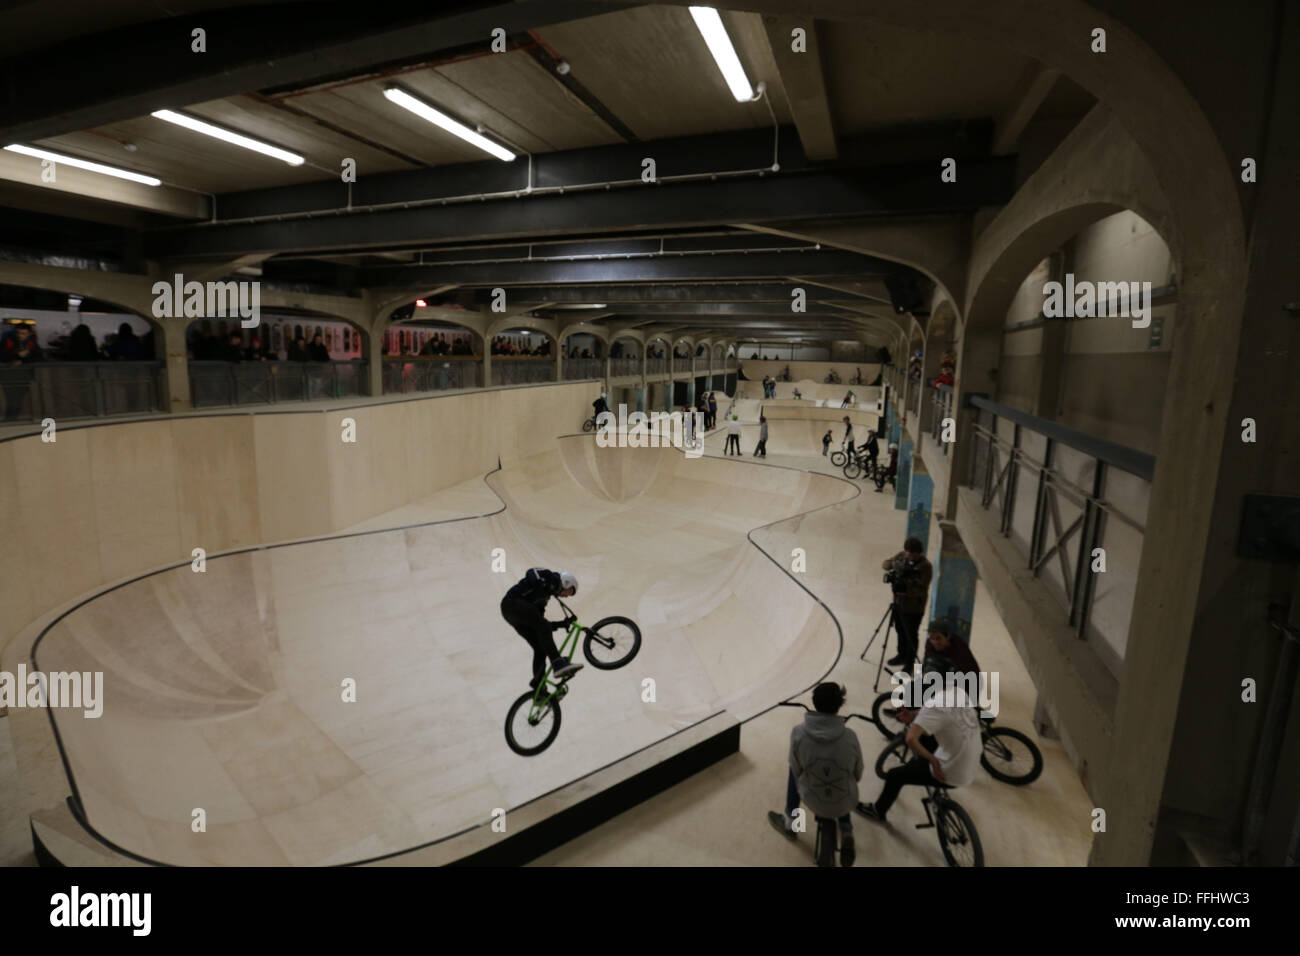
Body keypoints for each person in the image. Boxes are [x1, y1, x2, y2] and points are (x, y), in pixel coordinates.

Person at [855, 685, 981, 824]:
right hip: (972, 762)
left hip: (950, 772)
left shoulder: (932, 705)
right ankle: (921, 766)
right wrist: (914, 715)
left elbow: (910, 739)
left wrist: (932, 760)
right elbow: (938, 714)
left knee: (894, 775)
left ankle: (877, 811)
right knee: (928, 740)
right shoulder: (958, 693)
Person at [768, 682, 863, 865]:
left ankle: (792, 822)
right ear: (839, 706)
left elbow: (797, 771)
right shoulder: (850, 736)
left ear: (814, 703)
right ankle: (846, 830)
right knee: (844, 777)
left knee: (793, 770)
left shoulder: (798, 733)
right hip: (844, 798)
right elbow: (857, 774)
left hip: (811, 796)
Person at [500, 568, 584, 691]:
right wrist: (541, 582)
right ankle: (557, 663)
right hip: (511, 603)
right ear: (566, 582)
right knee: (542, 627)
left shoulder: (543, 600)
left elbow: (541, 625)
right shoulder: (550, 577)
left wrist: (561, 624)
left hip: (514, 616)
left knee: (540, 648)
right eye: (569, 592)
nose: (566, 596)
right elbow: (531, 572)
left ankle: (539, 688)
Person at [881, 536, 933, 670]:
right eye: (907, 552)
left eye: (912, 553)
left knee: (911, 634)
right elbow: (885, 565)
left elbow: (922, 589)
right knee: (900, 630)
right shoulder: (902, 556)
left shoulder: (925, 566)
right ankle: (901, 654)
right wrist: (894, 564)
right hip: (899, 603)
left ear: (919, 553)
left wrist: (907, 590)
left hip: (914, 608)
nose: (909, 555)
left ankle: (909, 663)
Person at [1, 323, 42, 420]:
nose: (20, 336)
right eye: (18, 333)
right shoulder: (8, 341)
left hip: (24, 377)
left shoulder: (32, 343)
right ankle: (10, 421)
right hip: (8, 377)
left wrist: (22, 360)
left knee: (17, 401)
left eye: (23, 334)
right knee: (13, 401)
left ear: (29, 334)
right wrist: (18, 356)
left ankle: (11, 420)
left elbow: (39, 358)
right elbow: (2, 356)